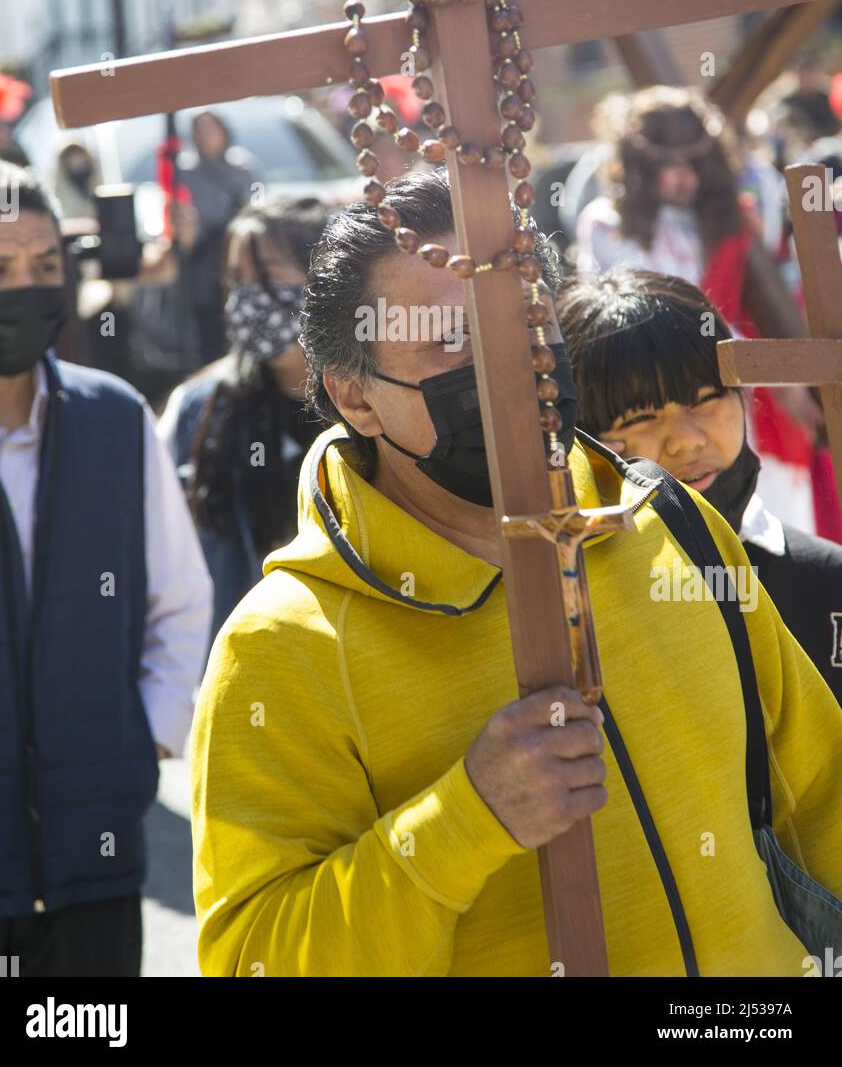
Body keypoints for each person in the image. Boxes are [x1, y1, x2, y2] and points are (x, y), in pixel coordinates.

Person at [190, 167, 842, 977]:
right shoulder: (284, 648)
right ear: (355, 397)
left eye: (530, 321)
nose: (513, 361)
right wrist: (464, 820)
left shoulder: (669, 523)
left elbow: (818, 790)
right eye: (451, 338)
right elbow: (255, 958)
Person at [0, 159, 213, 977]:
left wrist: (143, 738)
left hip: (95, 870)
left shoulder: (114, 419)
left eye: (44, 266)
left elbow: (179, 599)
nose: (23, 287)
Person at [556, 267, 842, 707]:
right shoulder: (570, 605)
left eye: (706, 398)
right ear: (587, 439)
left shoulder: (826, 580)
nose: (687, 438)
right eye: (638, 418)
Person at [575, 85, 822, 534]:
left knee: (766, 524)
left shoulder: (730, 217)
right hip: (655, 397)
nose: (682, 176)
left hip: (734, 392)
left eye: (692, 163)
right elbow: (620, 315)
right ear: (638, 167)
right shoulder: (607, 223)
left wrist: (780, 373)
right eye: (667, 165)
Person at [159, 196, 328, 649]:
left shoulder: (375, 403)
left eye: (269, 276)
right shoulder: (200, 409)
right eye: (237, 281)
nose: (247, 297)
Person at [177, 109, 259, 364]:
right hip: (204, 263)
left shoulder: (243, 167)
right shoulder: (185, 172)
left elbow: (256, 209)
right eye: (200, 130)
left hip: (238, 257)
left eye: (211, 128)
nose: (207, 136)